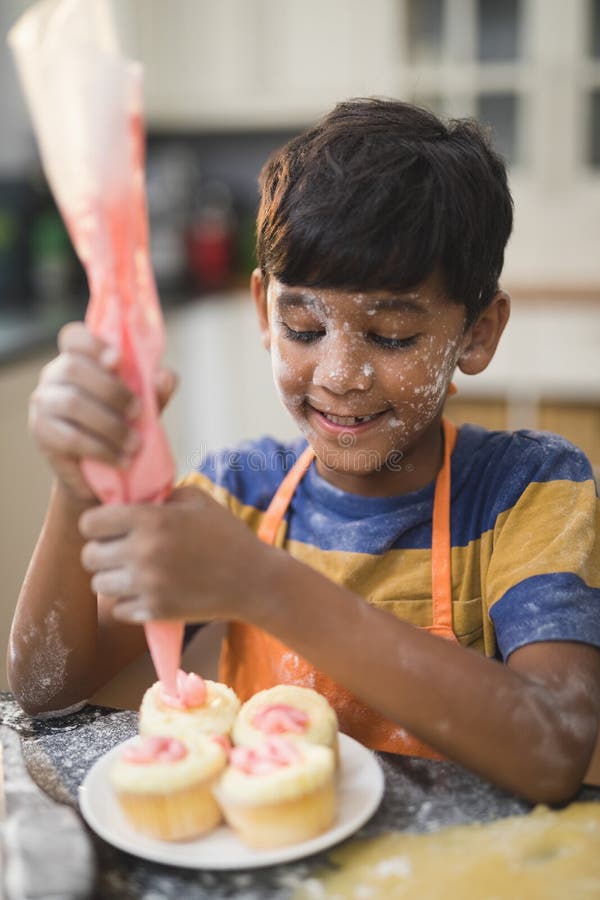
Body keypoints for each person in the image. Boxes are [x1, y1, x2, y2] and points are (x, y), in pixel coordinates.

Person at [9, 99, 600, 804]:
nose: (339, 375)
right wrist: (78, 484)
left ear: (476, 332)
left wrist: (264, 585)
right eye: (303, 328)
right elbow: (46, 686)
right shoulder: (236, 494)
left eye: (391, 337)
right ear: (264, 312)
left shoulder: (528, 490)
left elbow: (553, 750)